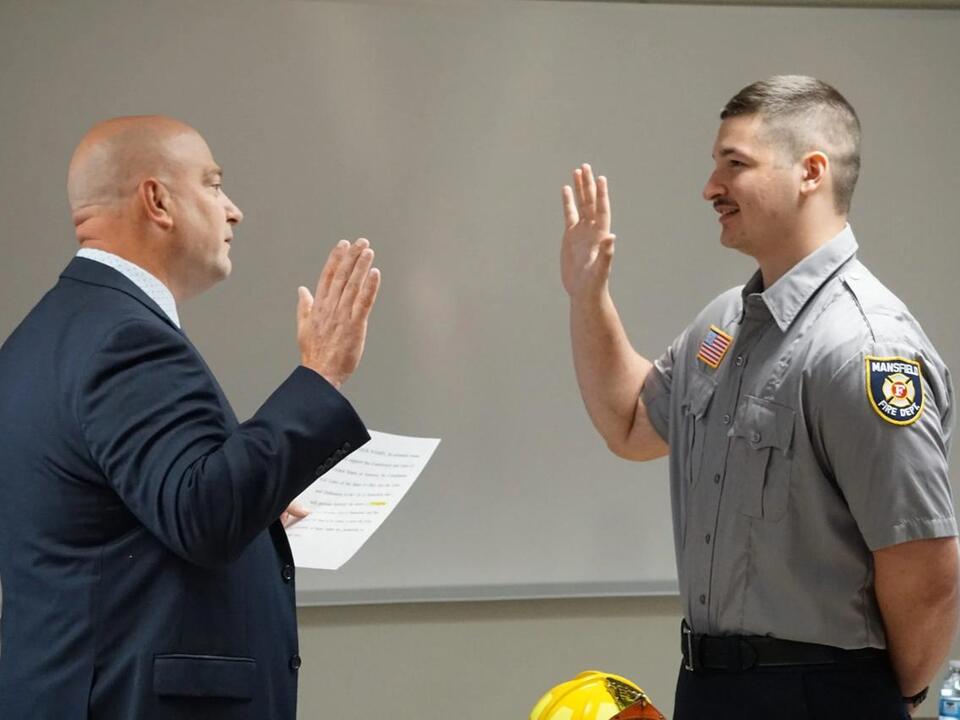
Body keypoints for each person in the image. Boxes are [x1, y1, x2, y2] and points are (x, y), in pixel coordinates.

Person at [560, 76, 959, 719]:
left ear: (811, 172)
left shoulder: (863, 346)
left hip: (820, 695)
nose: (710, 188)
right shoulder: (726, 322)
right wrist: (588, 295)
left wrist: (888, 700)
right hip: (709, 687)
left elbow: (924, 564)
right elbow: (631, 423)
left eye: (734, 164)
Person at [0, 115, 381, 719]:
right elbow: (204, 514)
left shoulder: (43, 335)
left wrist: (260, 499)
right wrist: (322, 375)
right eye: (212, 184)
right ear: (157, 200)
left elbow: (111, 505)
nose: (234, 212)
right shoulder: (126, 338)